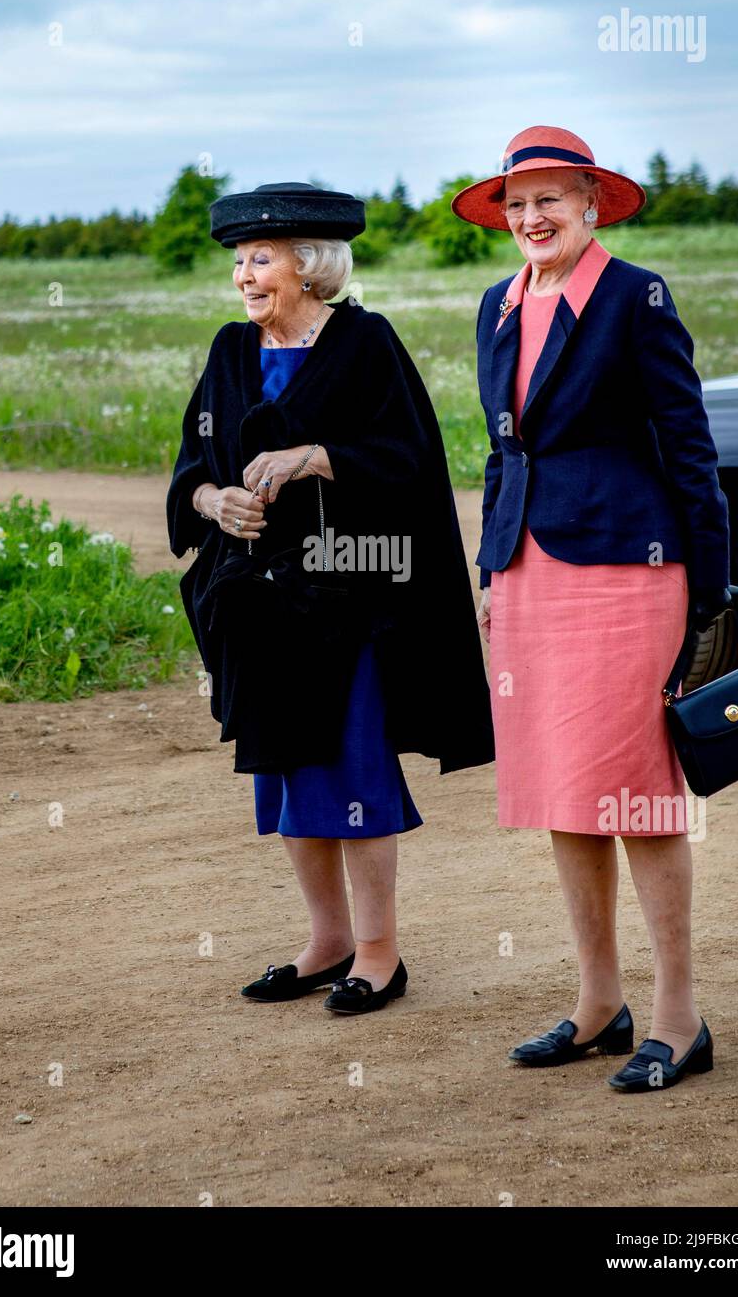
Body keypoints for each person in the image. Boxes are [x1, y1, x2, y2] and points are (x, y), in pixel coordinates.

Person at [167, 181, 494, 1017]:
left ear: (309, 267)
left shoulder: (364, 343)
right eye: (240, 261)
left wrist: (315, 454)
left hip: (349, 594)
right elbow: (189, 471)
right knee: (281, 773)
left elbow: (411, 460)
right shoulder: (229, 352)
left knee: (351, 765)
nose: (245, 276)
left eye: (261, 259)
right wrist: (214, 503)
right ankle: (325, 941)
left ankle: (380, 953)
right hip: (256, 604)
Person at [453, 127, 731, 1092]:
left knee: (638, 794)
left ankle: (678, 1019)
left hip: (629, 569)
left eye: (551, 200)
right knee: (565, 791)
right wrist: (494, 571)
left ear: (591, 203)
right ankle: (599, 1004)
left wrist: (713, 591)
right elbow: (502, 452)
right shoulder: (497, 304)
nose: (532, 218)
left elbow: (689, 448)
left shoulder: (634, 295)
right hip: (532, 571)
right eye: (516, 203)